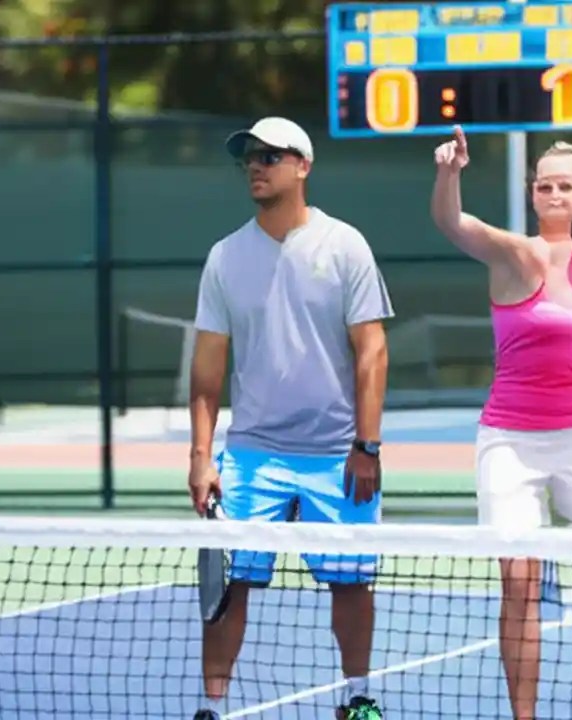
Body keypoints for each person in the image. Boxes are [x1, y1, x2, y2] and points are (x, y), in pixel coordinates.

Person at [188, 116, 393, 720]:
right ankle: (211, 709)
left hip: (338, 457)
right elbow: (207, 372)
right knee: (230, 591)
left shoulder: (345, 245)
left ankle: (357, 699)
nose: (256, 165)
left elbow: (372, 351)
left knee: (351, 585)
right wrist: (201, 458)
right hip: (251, 457)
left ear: (302, 166)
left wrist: (367, 445)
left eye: (270, 155)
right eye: (249, 156)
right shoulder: (225, 258)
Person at [430, 125, 572, 720]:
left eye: (566, 185)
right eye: (544, 186)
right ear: (532, 193)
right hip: (511, 440)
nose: (554, 194)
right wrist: (449, 173)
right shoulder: (515, 252)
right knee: (520, 583)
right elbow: (453, 223)